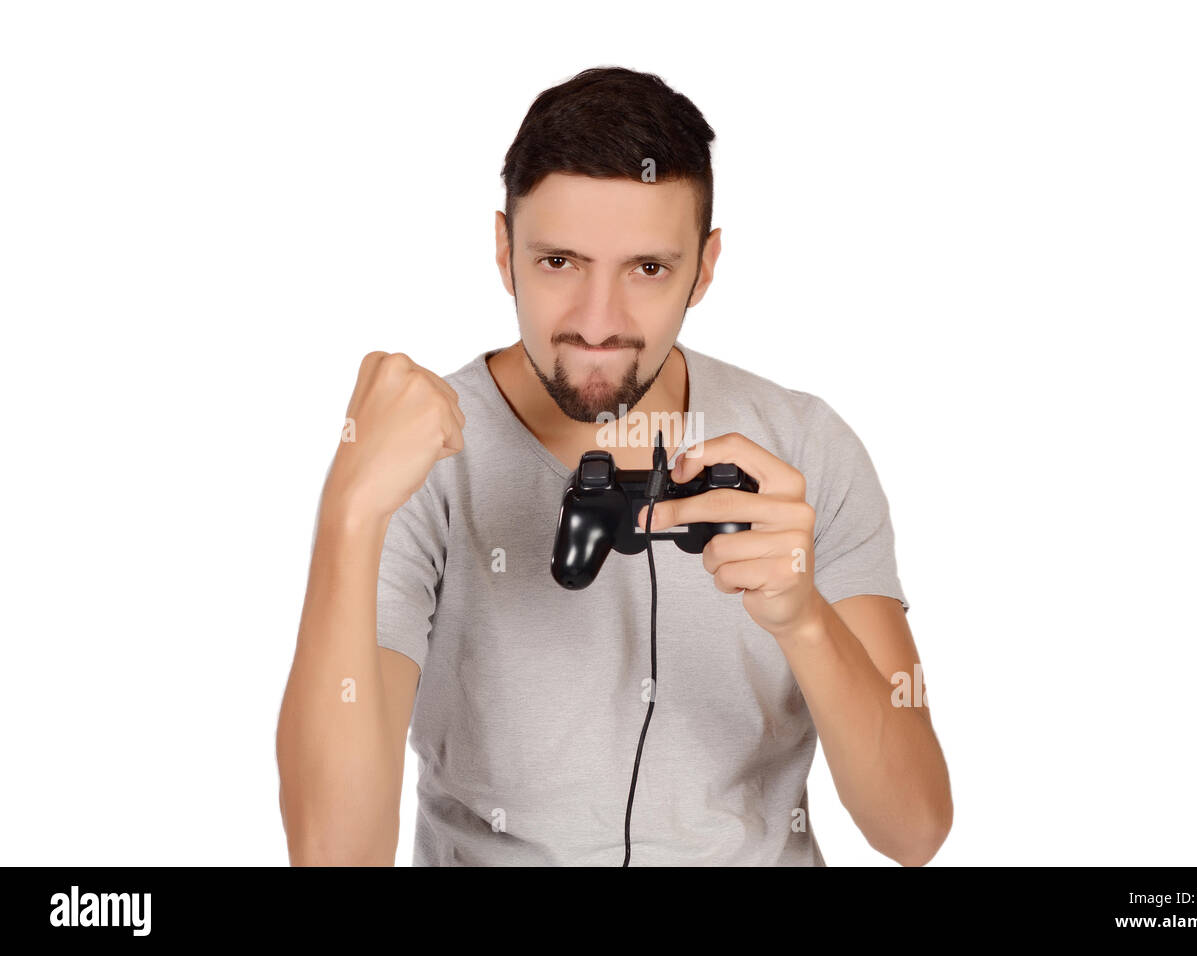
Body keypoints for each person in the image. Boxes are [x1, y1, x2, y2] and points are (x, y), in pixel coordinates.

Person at [276, 66, 952, 866]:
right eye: (560, 262)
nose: (598, 324)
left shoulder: (805, 447)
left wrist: (804, 618)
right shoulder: (420, 460)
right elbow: (334, 857)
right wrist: (348, 512)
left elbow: (915, 831)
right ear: (504, 251)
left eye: (648, 269)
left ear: (705, 268)